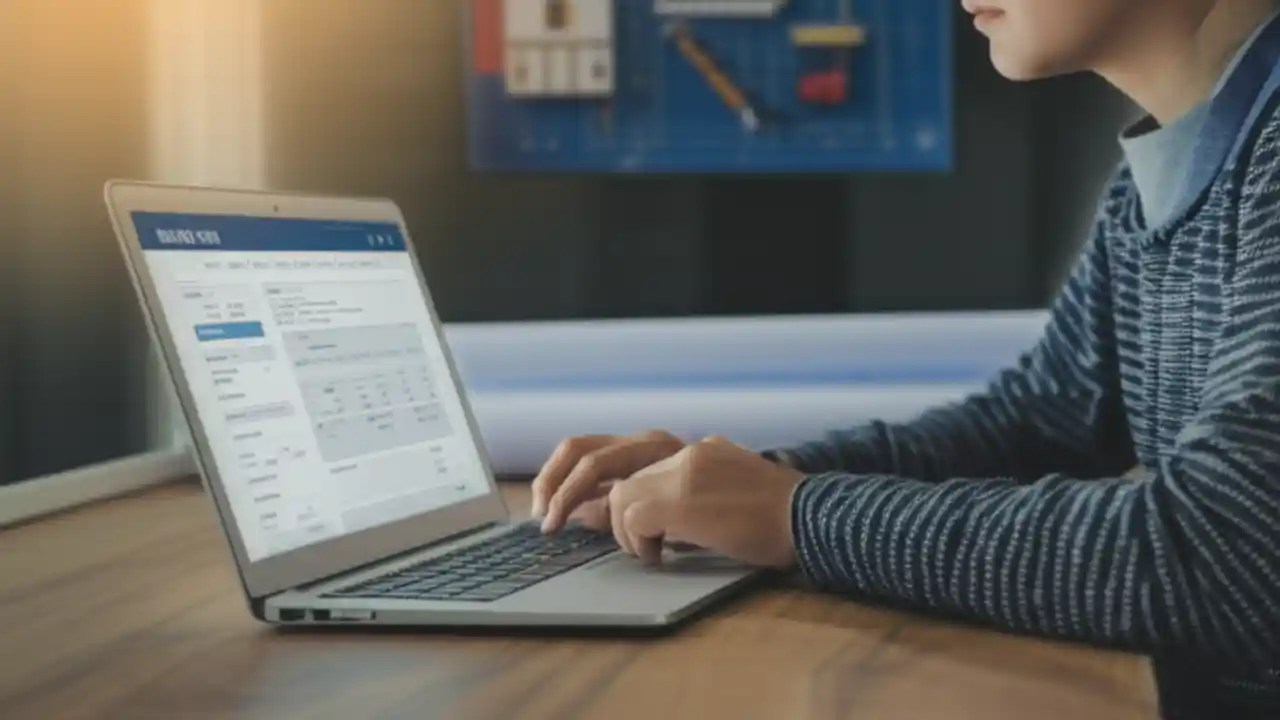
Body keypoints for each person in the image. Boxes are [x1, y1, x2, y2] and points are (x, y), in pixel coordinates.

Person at [531, 0, 1280, 717]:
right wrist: (731, 490)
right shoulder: (1157, 180)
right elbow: (1036, 423)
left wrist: (795, 515)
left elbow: (1220, 554)